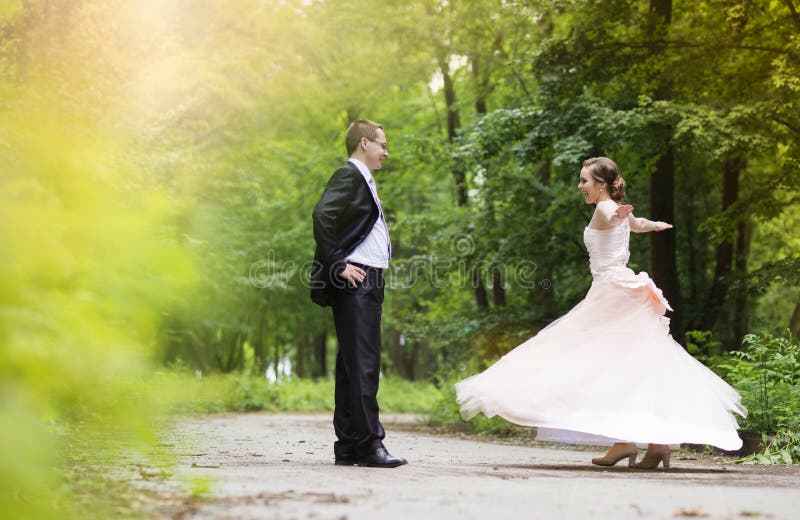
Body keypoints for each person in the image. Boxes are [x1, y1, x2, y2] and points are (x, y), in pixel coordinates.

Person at [454, 157, 746, 469]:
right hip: (624, 291)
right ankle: (654, 444)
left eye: (585, 181)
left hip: (612, 293)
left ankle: (628, 442)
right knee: (636, 365)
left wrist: (620, 213)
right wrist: (652, 224)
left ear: (601, 185)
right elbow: (637, 223)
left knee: (595, 360)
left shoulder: (604, 208)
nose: (580, 186)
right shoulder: (614, 212)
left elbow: (613, 213)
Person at [311, 119, 407, 468]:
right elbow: (323, 215)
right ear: (364, 143)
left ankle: (349, 445)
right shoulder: (349, 174)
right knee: (364, 364)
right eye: (382, 144)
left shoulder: (362, 179)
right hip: (356, 280)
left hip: (365, 280)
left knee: (353, 365)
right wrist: (337, 264)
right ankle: (370, 445)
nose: (386, 151)